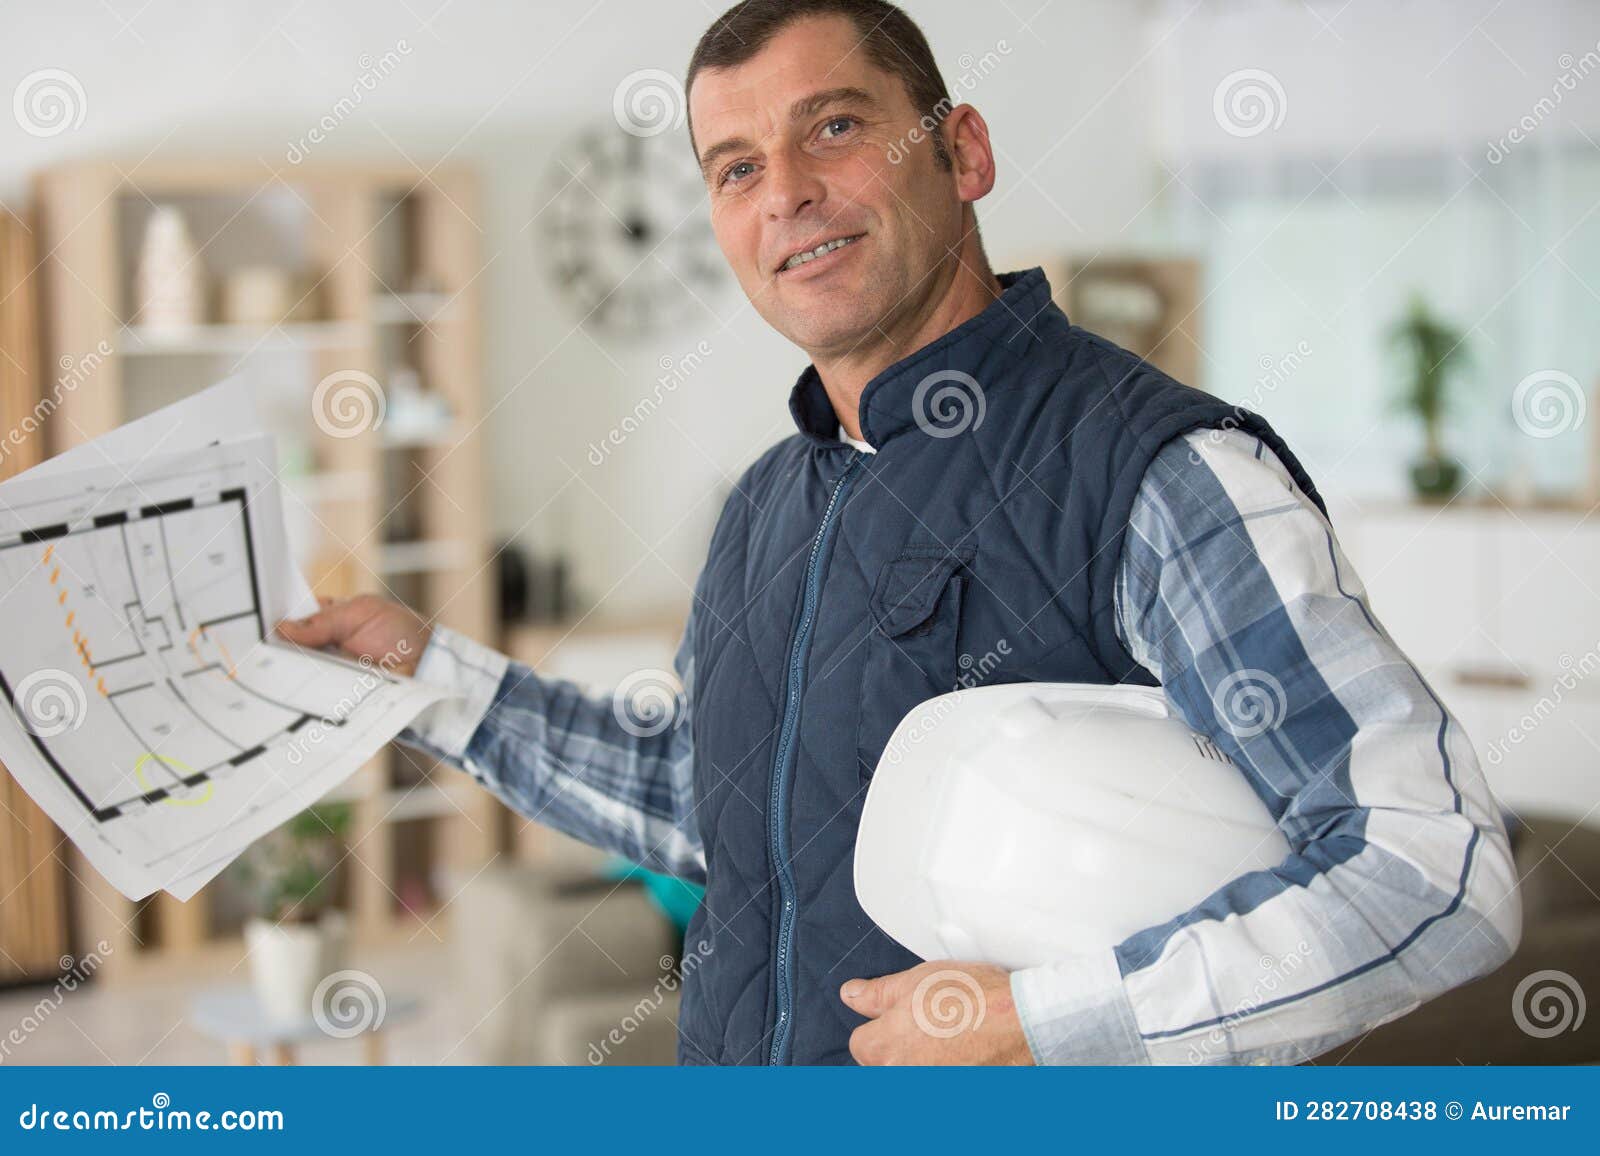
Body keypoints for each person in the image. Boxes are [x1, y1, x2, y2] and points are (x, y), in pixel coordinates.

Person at [277, 0, 1521, 1066]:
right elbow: (725, 809)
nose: (789, 194)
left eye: (835, 125)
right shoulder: (764, 505)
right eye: (735, 166)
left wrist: (1050, 1022)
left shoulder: (1163, 473)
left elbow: (1430, 869)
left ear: (962, 151)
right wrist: (430, 680)